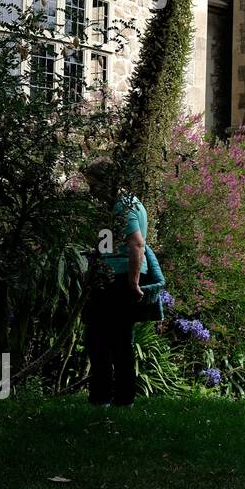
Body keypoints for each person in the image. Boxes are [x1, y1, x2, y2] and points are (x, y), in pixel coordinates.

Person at [82, 159, 150, 406]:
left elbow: (137, 243)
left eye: (94, 184)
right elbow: (107, 246)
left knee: (103, 339)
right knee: (114, 339)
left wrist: (132, 283)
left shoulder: (124, 206)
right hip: (109, 275)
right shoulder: (119, 205)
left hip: (119, 279)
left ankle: (106, 398)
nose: (92, 191)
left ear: (108, 182)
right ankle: (118, 398)